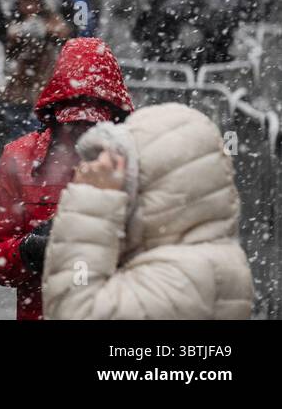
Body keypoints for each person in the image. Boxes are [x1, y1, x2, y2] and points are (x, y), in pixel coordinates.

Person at [42, 103, 253, 319]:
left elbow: (73, 310)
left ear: (157, 188)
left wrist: (90, 207)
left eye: (119, 170)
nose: (96, 175)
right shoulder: (192, 258)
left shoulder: (184, 276)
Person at [0, 37, 134, 320]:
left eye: (93, 125)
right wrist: (27, 251)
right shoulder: (20, 158)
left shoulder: (137, 159)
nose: (82, 137)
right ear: (56, 113)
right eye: (74, 125)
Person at [0, 0, 71, 144]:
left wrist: (45, 31)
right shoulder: (12, 21)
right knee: (17, 138)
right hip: (17, 90)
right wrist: (19, 34)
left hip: (42, 89)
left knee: (40, 136)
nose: (29, 4)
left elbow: (63, 33)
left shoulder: (50, 18)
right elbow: (6, 51)